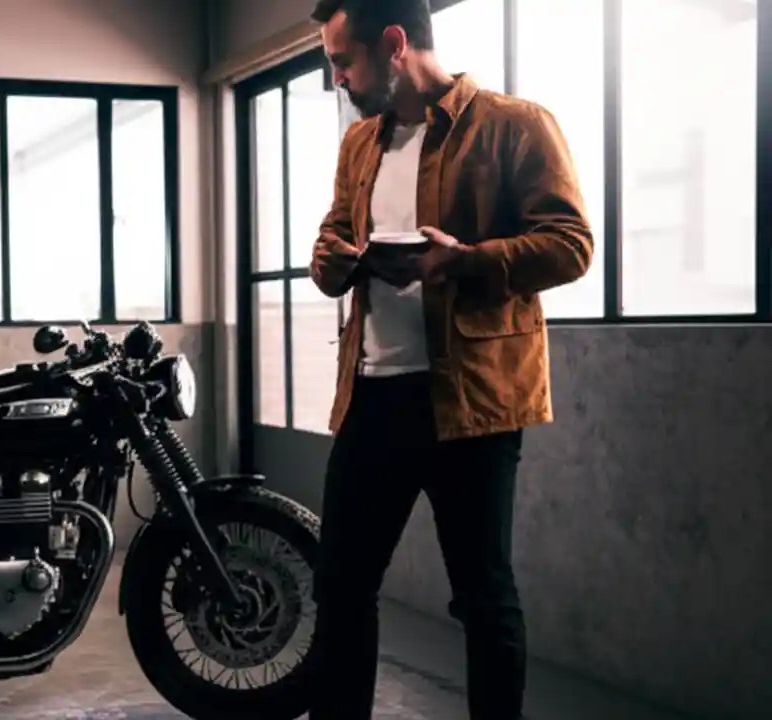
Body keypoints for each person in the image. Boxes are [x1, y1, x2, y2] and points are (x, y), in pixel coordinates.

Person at [303, 0, 593, 718]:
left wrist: (466, 261)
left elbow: (571, 243)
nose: (336, 77)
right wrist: (333, 263)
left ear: (394, 43)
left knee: (484, 600)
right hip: (372, 398)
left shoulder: (514, 125)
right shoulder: (359, 145)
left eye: (343, 60)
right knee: (340, 587)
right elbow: (331, 241)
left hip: (470, 403)